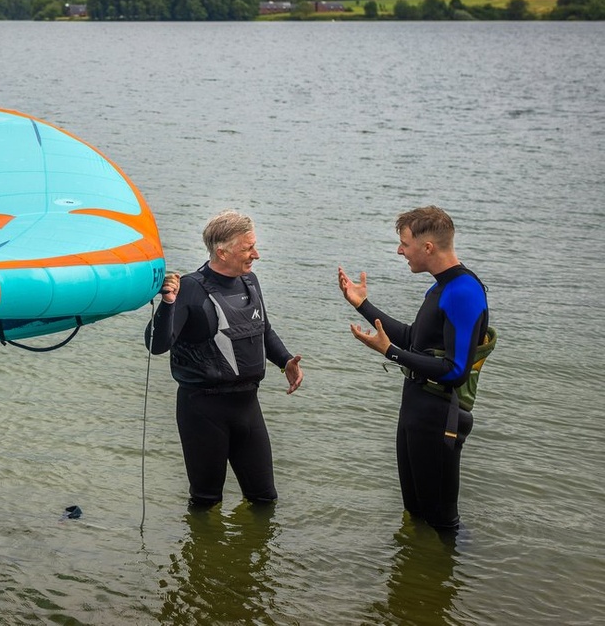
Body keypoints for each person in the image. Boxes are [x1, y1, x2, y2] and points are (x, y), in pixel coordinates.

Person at [338, 205, 489, 530]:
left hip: (441, 415)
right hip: (417, 409)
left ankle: (450, 577)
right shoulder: (440, 287)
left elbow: (455, 370)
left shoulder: (463, 292)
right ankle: (414, 577)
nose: (400, 250)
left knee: (442, 522)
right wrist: (362, 305)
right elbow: (413, 339)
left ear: (428, 247)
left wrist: (391, 353)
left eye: (404, 244)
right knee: (415, 514)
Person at [146, 210, 303, 509]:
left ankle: (255, 554)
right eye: (248, 248)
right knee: (206, 501)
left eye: (254, 246)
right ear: (222, 251)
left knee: (264, 499)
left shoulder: (250, 281)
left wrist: (285, 361)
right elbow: (157, 345)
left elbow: (262, 330)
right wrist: (168, 303)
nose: (255, 254)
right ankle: (203, 554)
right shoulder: (190, 289)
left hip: (247, 407)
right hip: (202, 409)